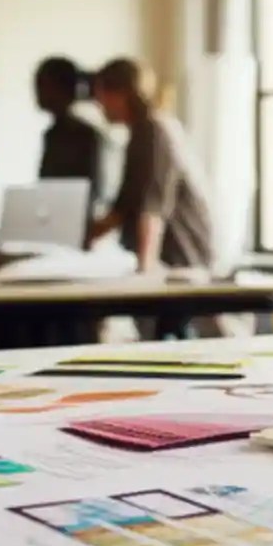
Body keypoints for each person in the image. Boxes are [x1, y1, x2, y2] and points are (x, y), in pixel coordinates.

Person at [89, 58, 214, 339]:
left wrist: (144, 274)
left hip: (179, 261)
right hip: (167, 261)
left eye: (101, 95)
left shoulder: (154, 131)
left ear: (120, 93)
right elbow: (123, 207)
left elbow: (153, 207)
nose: (99, 104)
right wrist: (80, 239)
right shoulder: (140, 132)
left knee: (168, 338)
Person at [36, 57, 100, 208]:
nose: (38, 92)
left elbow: (91, 189)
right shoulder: (52, 134)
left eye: (43, 85)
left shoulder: (85, 134)